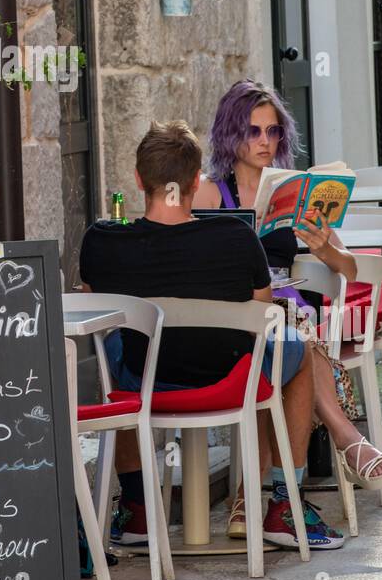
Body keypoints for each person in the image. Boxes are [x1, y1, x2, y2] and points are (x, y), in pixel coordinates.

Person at [79, 120, 343, 552]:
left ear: (139, 179)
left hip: (148, 384)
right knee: (296, 349)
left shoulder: (101, 241)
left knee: (116, 344)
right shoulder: (235, 236)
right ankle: (284, 505)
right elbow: (260, 308)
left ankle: (138, 508)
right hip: (228, 384)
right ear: (196, 180)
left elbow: (95, 299)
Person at [195, 79, 382, 540]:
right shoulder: (210, 194)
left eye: (273, 132)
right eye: (253, 131)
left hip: (286, 312)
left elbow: (350, 267)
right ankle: (347, 439)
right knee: (289, 343)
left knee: (291, 340)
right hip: (232, 316)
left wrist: (322, 248)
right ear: (231, 133)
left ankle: (251, 498)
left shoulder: (298, 192)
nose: (265, 142)